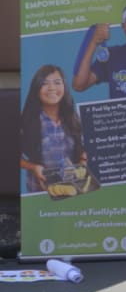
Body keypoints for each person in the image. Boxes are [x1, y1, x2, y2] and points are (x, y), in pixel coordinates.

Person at [20, 65, 89, 195]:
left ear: (64, 87)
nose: (52, 88)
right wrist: (33, 167)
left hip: (72, 189)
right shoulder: (26, 120)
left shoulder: (74, 118)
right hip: (38, 193)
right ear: (37, 89)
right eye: (45, 83)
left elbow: (82, 150)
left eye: (57, 82)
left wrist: (83, 162)